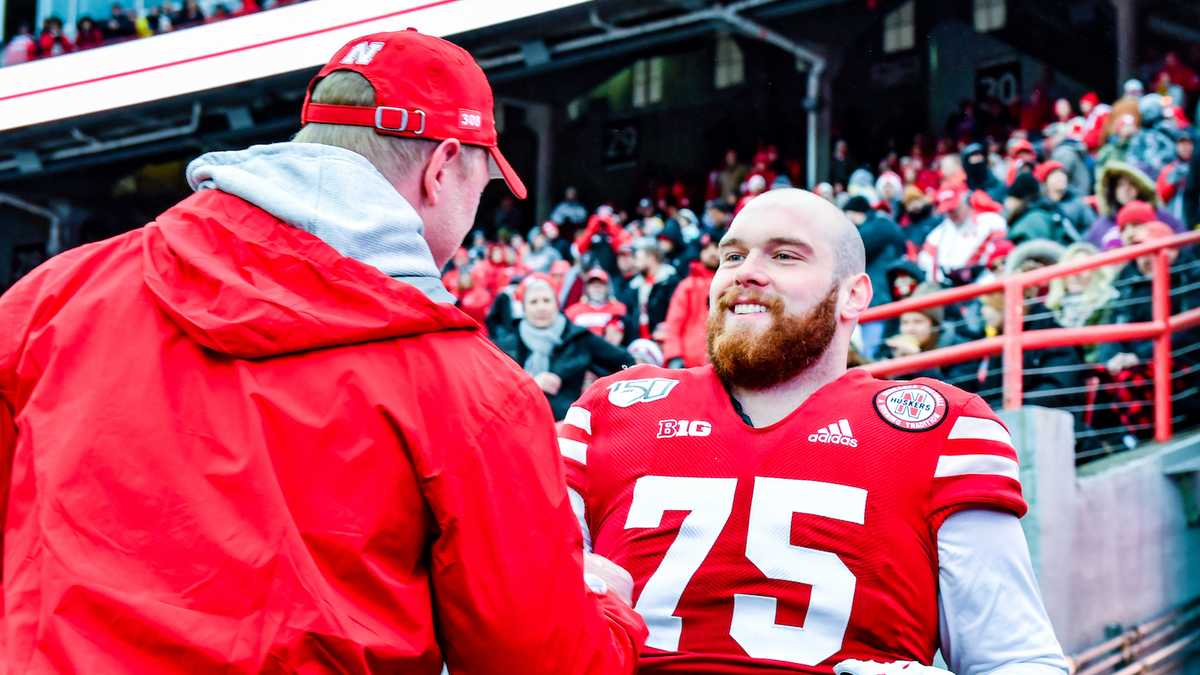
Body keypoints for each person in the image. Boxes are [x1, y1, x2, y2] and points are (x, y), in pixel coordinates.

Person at [0, 30, 647, 673]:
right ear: (442, 168)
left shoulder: (50, 300)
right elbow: (542, 662)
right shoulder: (471, 390)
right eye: (482, 191)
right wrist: (607, 607)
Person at [555, 188, 1067, 674]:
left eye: (784, 256)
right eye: (731, 257)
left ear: (852, 295)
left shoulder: (939, 430)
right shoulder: (613, 409)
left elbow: (1016, 659)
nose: (746, 273)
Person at [493, 275, 635, 421]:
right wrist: (532, 383)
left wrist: (596, 393)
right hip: (521, 425)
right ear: (524, 307)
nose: (541, 307)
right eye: (533, 302)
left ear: (557, 304)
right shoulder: (507, 344)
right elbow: (495, 389)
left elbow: (626, 363)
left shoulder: (577, 337)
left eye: (547, 300)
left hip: (567, 427)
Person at [919, 184, 1008, 285]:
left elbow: (1000, 254)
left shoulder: (990, 222)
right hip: (952, 287)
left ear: (963, 200)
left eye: (954, 208)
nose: (952, 213)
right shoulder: (935, 237)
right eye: (948, 211)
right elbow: (928, 267)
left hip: (986, 280)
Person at [1085, 162, 1183, 249]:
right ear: (1112, 190)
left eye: (1131, 184)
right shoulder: (1102, 225)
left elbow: (1184, 245)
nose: (1126, 189)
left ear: (1140, 187)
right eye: (1121, 185)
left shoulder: (1160, 216)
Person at [660, 234, 720, 368]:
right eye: (707, 248)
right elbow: (674, 323)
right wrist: (673, 356)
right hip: (689, 363)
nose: (713, 252)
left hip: (722, 360)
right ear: (700, 252)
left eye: (717, 247)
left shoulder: (730, 284)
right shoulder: (687, 286)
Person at [565, 268, 628, 338]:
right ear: (586, 288)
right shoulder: (573, 311)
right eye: (593, 284)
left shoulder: (620, 310)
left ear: (608, 287)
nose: (596, 287)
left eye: (601, 284)